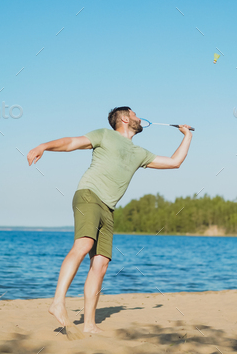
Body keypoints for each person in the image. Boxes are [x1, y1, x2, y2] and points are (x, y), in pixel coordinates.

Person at [27, 106, 193, 335]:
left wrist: (187, 136)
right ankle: (57, 302)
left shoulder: (140, 153)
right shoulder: (104, 135)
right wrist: (43, 146)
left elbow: (175, 162)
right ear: (125, 119)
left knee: (101, 264)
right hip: (89, 196)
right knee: (83, 244)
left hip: (109, 208)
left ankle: (89, 325)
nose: (139, 117)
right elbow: (71, 143)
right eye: (135, 114)